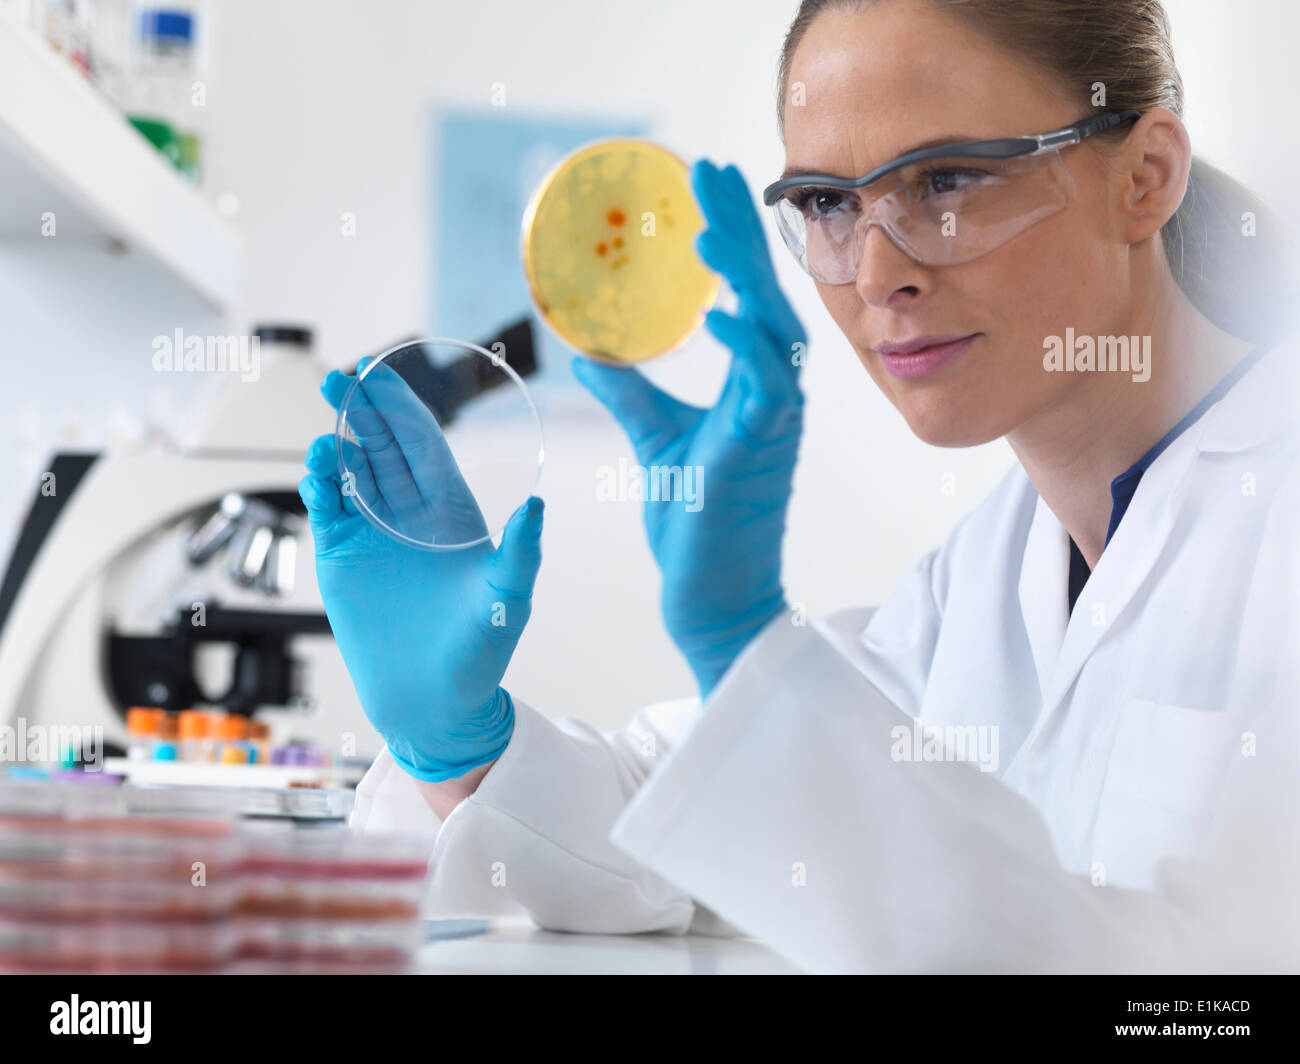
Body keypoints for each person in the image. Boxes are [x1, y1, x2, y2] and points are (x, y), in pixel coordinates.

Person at [297, 0, 1299, 972]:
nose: (874, 273)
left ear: (1145, 176)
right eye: (828, 202)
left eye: (945, 180)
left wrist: (743, 639)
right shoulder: (982, 577)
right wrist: (459, 739)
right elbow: (688, 813)